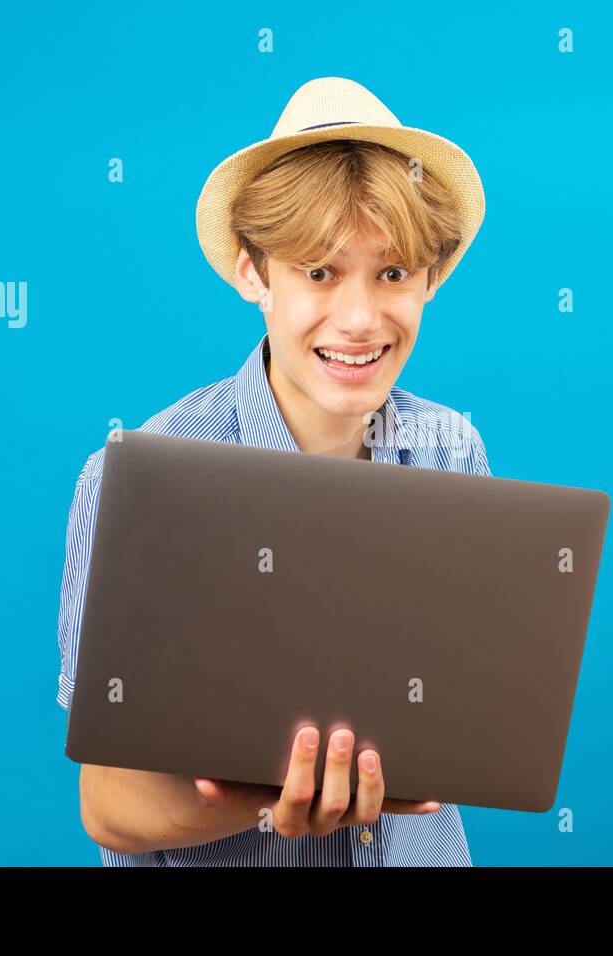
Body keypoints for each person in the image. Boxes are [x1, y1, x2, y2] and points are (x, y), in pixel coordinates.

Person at [56, 77, 489, 866]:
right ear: (253, 274)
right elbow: (108, 802)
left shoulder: (453, 451)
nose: (360, 319)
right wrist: (265, 801)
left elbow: (464, 717)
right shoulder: (140, 483)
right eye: (319, 272)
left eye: (392, 274)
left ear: (429, 279)